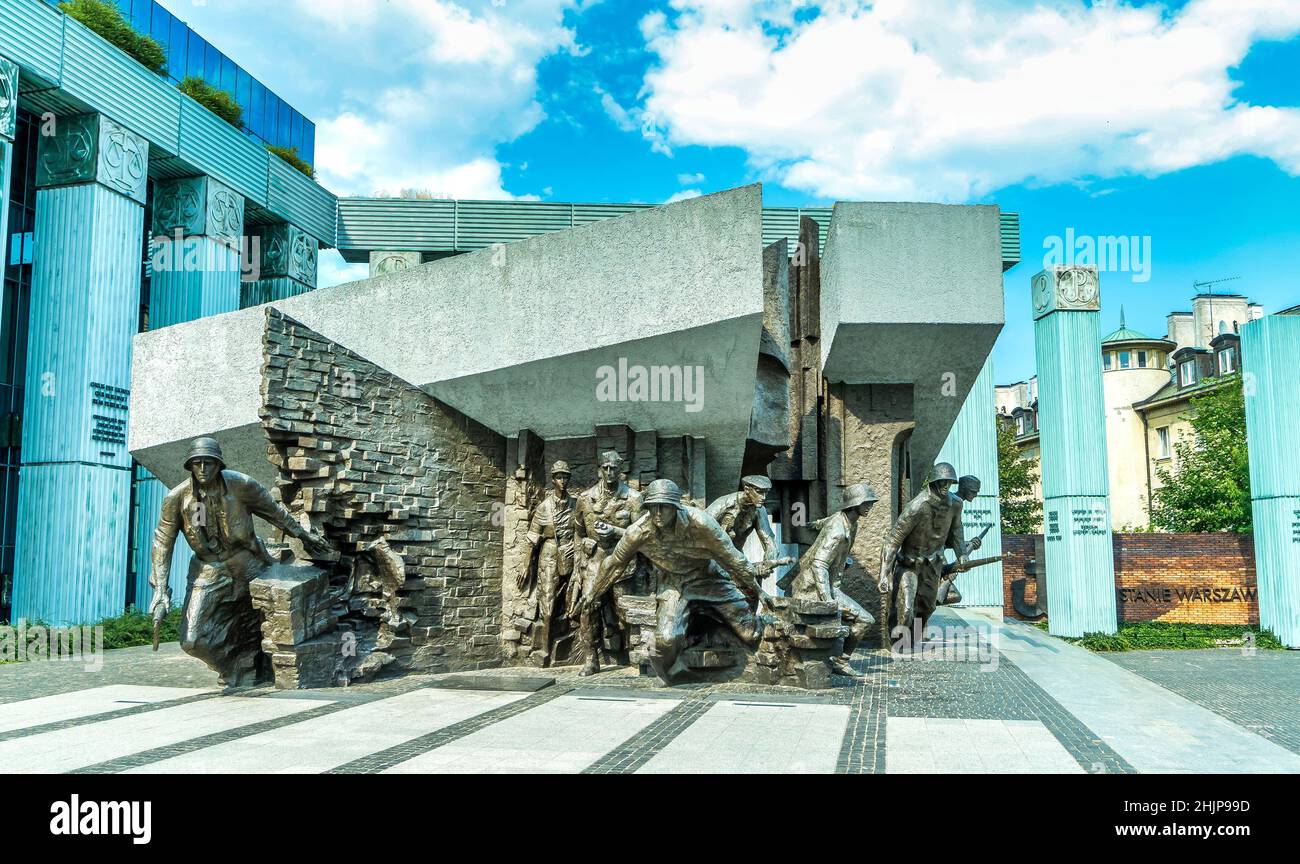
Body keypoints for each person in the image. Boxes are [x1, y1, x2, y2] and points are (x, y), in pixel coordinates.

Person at [150, 437, 331, 687]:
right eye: (197, 463)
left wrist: (304, 535)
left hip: (249, 562)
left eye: (209, 463)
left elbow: (274, 513)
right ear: (190, 466)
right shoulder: (177, 498)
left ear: (219, 464)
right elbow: (162, 540)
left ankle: (261, 667)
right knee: (193, 640)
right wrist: (160, 588)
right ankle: (235, 665)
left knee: (265, 621)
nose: (203, 469)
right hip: (209, 568)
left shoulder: (242, 485)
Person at [579, 478, 765, 683]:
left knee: (749, 634)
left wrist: (759, 591)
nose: (657, 513)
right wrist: (592, 594)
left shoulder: (701, 524)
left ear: (675, 507)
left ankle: (709, 628)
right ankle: (681, 666)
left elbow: (733, 558)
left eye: (664, 507)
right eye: (653, 507)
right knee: (666, 640)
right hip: (673, 584)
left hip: (709, 578)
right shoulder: (638, 532)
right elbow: (613, 564)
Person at [787, 483, 878, 678]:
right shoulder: (837, 531)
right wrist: (827, 599)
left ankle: (835, 658)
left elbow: (824, 521)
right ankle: (841, 661)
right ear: (855, 504)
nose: (871, 506)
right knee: (865, 620)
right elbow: (819, 564)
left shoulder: (846, 521)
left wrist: (812, 525)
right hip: (813, 589)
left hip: (826, 585)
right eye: (867, 503)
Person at [570, 450, 642, 676]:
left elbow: (641, 533)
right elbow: (578, 532)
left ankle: (638, 657)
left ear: (621, 470)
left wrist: (616, 531)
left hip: (622, 561)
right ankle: (591, 659)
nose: (610, 473)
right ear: (599, 469)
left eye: (614, 468)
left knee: (626, 609)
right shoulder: (584, 498)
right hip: (595, 561)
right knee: (588, 606)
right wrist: (580, 557)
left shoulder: (633, 498)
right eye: (605, 468)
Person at [877, 462, 966, 642]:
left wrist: (962, 554)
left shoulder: (956, 504)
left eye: (949, 482)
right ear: (933, 482)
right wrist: (884, 572)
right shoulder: (917, 506)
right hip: (909, 563)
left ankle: (913, 640)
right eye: (942, 481)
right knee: (907, 607)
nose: (946, 486)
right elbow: (893, 540)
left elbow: (957, 530)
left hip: (933, 565)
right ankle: (894, 640)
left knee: (928, 607)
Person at [523, 460, 576, 663]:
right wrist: (525, 565)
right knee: (547, 602)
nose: (562, 480)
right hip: (549, 555)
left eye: (565, 477)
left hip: (570, 554)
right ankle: (544, 649)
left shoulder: (575, 504)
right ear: (553, 480)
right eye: (559, 477)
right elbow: (532, 538)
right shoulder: (544, 508)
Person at [706, 474, 780, 561]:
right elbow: (699, 527)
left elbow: (769, 543)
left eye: (766, 492)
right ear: (747, 489)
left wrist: (768, 564)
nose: (763, 497)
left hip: (736, 561)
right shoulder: (723, 504)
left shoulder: (759, 511)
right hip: (710, 558)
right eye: (759, 492)